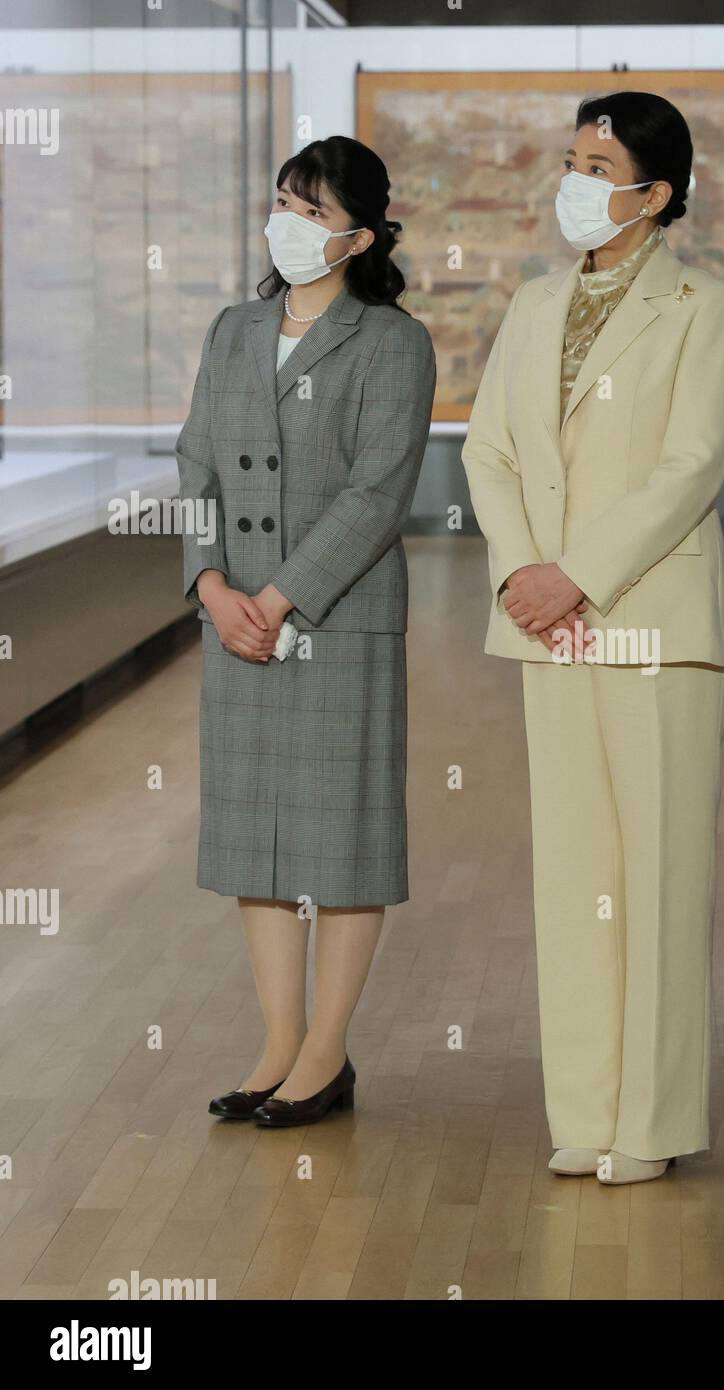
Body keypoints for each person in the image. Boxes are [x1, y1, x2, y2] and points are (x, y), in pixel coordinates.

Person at [462, 91, 724, 1185]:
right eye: (570, 159)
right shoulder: (533, 305)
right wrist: (525, 575)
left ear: (655, 193)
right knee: (575, 872)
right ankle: (584, 1109)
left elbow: (692, 467)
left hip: (651, 623)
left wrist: (573, 575)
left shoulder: (703, 305)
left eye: (596, 164)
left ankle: (655, 1120)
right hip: (549, 627)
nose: (574, 181)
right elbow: (487, 451)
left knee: (660, 875)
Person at [177, 135, 436, 1127]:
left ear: (360, 236)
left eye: (313, 209)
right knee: (255, 840)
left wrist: (279, 595)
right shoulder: (233, 330)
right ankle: (278, 1043)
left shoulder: (393, 342)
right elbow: (194, 461)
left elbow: (379, 493)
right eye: (284, 199)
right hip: (230, 616)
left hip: (338, 617)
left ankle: (326, 1054)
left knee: (343, 836)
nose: (288, 219)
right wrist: (209, 583)